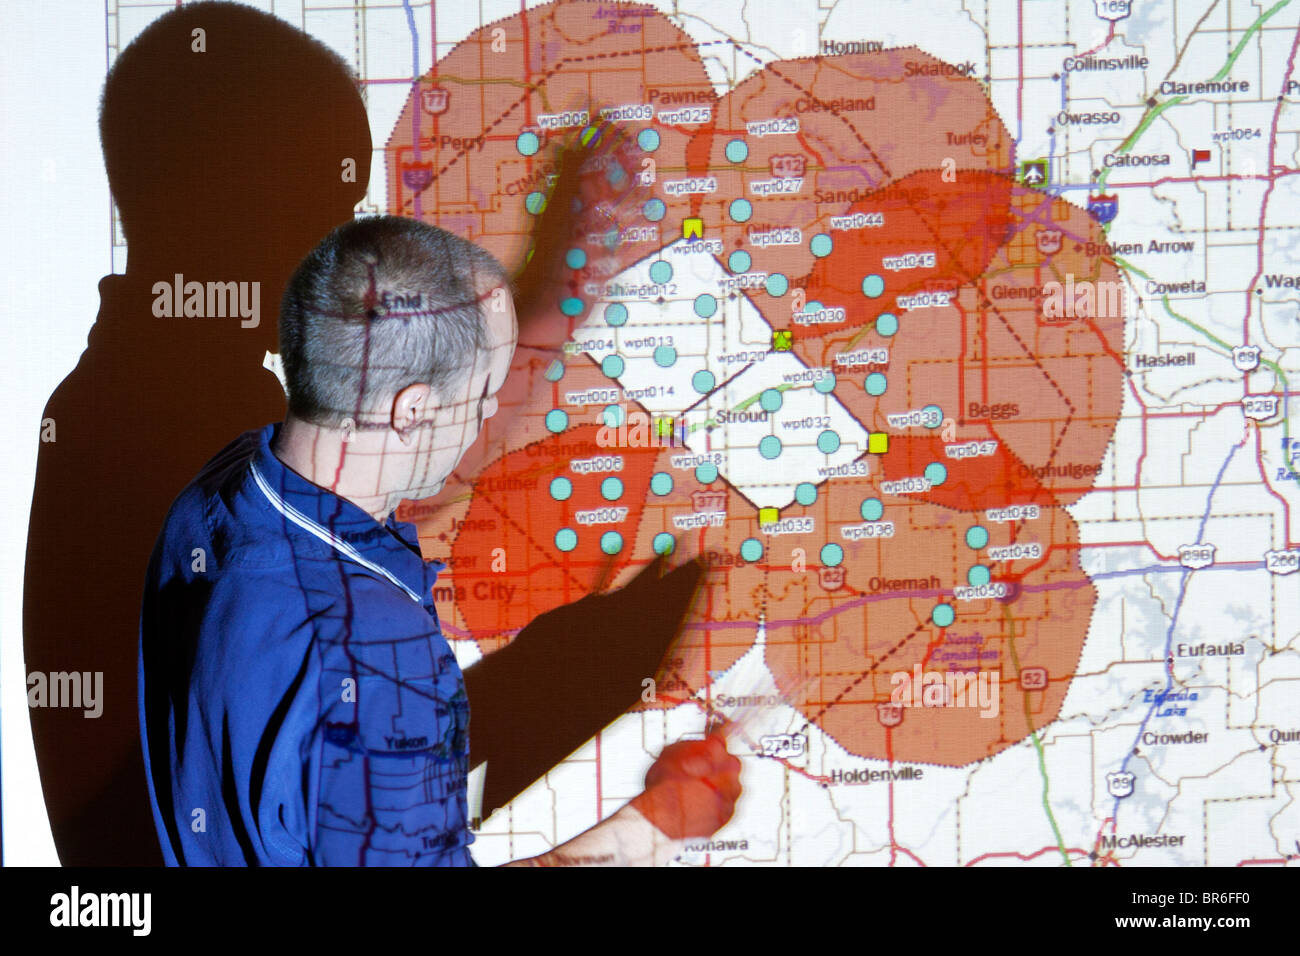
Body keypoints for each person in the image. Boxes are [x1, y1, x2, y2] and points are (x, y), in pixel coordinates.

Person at [138, 215, 741, 865]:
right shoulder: (379, 665)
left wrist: (535, 302)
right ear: (411, 411)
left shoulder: (224, 489)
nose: (488, 415)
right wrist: (660, 822)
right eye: (482, 395)